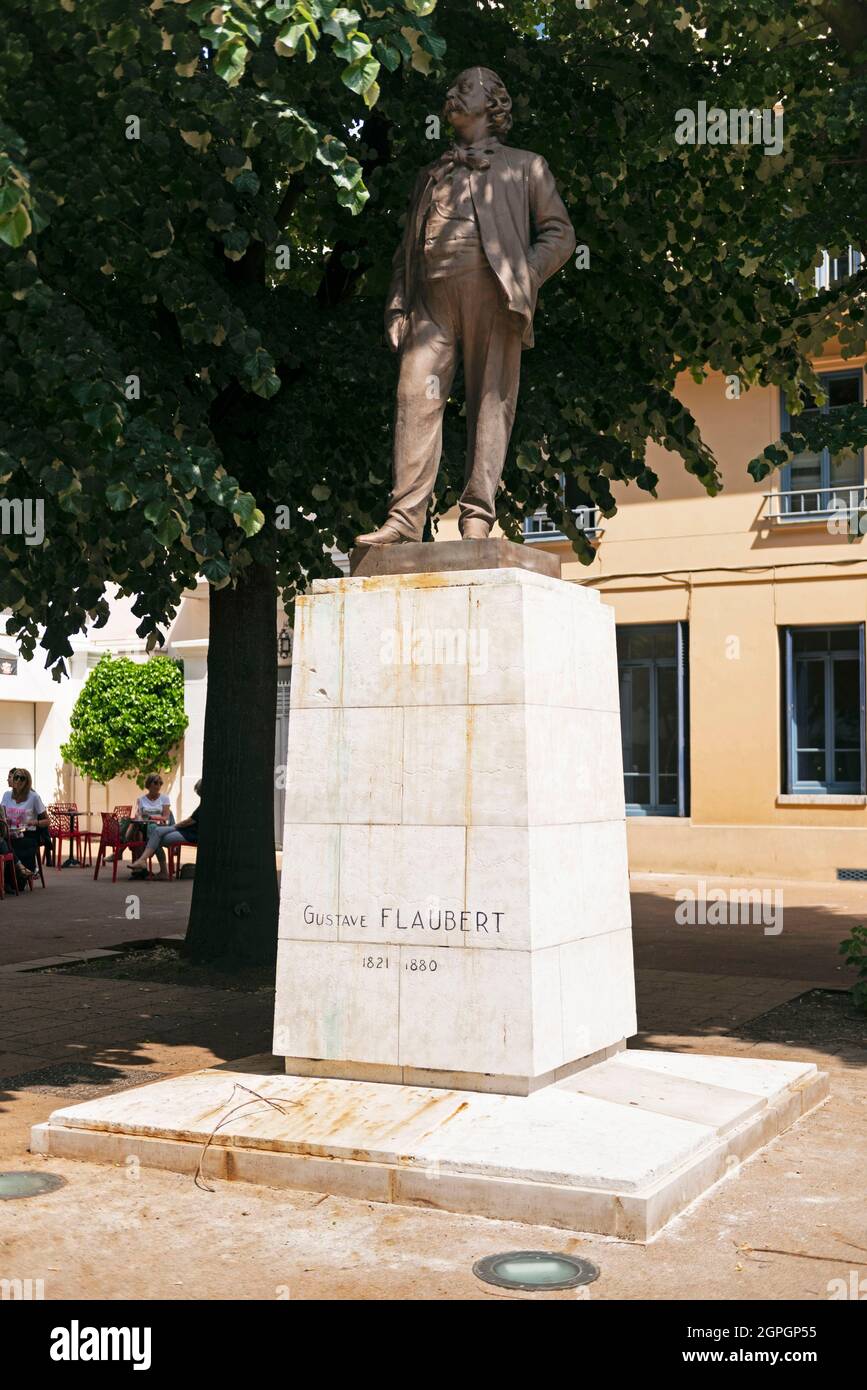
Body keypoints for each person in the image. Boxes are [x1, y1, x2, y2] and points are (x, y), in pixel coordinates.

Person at [356, 66, 575, 547]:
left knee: (490, 403)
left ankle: (477, 515)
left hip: (493, 296)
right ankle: (405, 519)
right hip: (429, 303)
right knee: (414, 399)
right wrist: (396, 307)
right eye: (452, 88)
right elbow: (405, 251)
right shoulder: (431, 173)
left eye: (465, 88)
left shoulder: (525, 166)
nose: (452, 93)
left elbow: (560, 233)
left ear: (494, 102)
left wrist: (525, 276)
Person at [128, 780, 200, 880]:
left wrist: (174, 826)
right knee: (154, 834)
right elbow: (138, 814)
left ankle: (154, 867)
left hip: (191, 834)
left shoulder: (204, 805)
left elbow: (189, 821)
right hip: (186, 831)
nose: (157, 787)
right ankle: (145, 863)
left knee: (154, 837)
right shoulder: (142, 799)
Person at [117, 774, 173, 879]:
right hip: (143, 826)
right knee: (136, 831)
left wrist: (152, 817)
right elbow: (138, 815)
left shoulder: (164, 798)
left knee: (146, 833)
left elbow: (166, 817)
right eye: (155, 782)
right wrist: (140, 816)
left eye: (160, 783)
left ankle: (120, 852)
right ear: (149, 784)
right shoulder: (141, 799)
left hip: (158, 826)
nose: (158, 785)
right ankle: (141, 870)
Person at [1, 768, 48, 883]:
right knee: (3, 842)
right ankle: (20, 867)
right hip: (9, 833)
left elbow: (47, 821)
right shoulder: (7, 795)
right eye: (16, 777)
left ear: (28, 781)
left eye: (22, 778)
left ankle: (16, 873)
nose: (18, 780)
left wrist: (35, 822)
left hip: (27, 835)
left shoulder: (34, 797)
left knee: (4, 844)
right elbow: (1, 814)